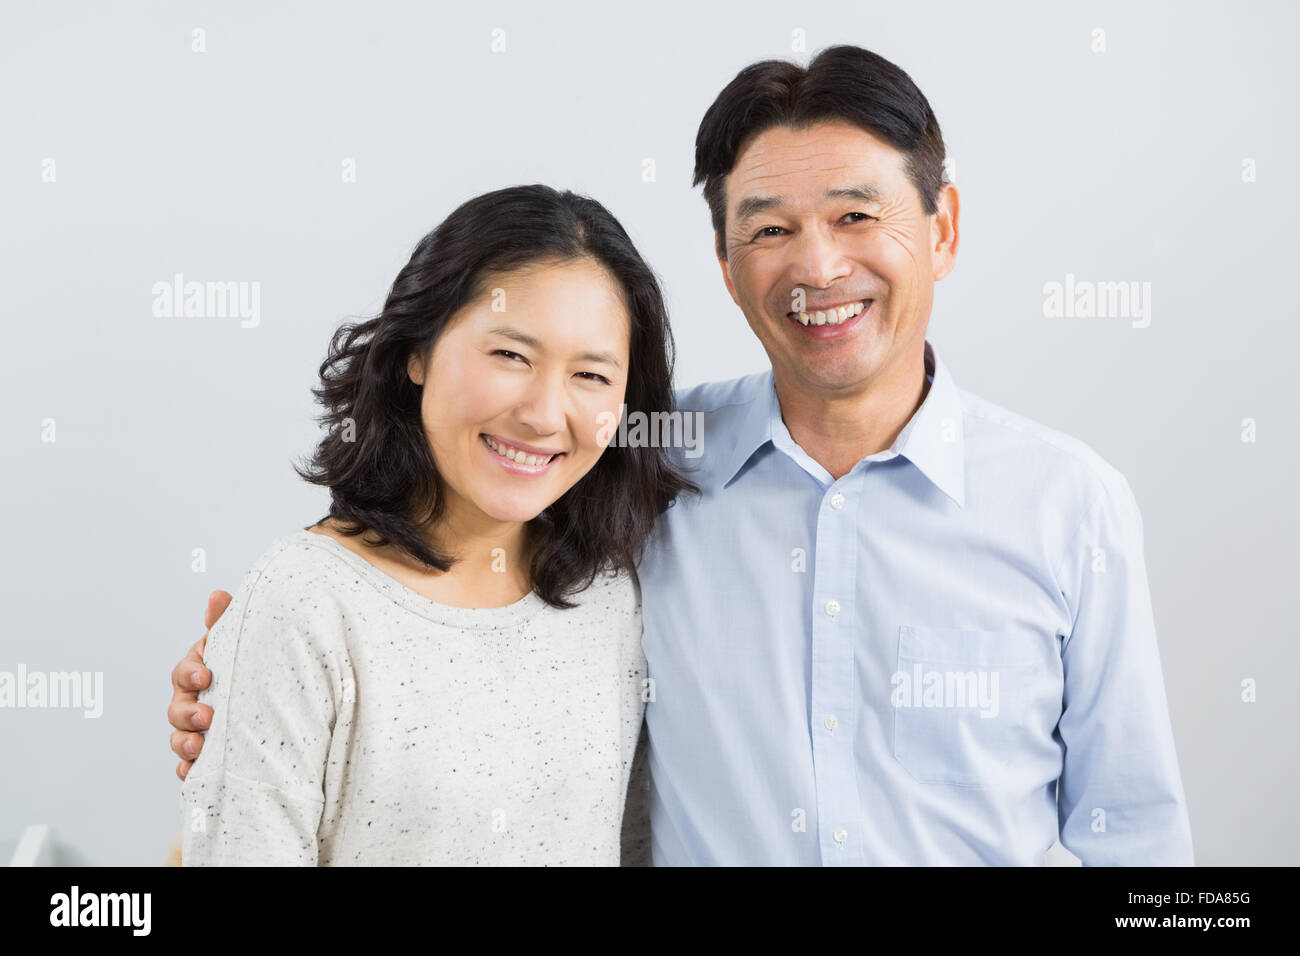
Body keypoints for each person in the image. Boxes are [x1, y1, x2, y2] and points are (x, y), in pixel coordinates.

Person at [171, 45, 1194, 866]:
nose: (818, 263)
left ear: (942, 228)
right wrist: (250, 678)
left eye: (855, 214)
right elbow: (437, 610)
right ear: (725, 264)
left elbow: (1137, 844)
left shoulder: (1071, 507)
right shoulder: (649, 469)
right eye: (770, 228)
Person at [174, 184, 694, 865]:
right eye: (511, 355)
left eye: (591, 375)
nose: (544, 414)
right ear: (417, 352)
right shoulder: (305, 603)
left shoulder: (613, 594)